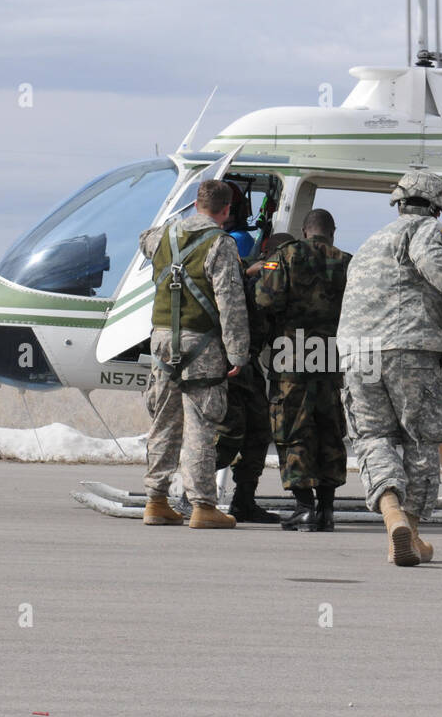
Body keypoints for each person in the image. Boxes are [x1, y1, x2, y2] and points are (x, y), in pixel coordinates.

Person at [337, 169, 442, 565]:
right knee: (420, 439)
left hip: (356, 353)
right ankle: (410, 529)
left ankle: (391, 512)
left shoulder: (367, 243)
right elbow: (432, 261)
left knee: (373, 438)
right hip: (408, 348)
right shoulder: (425, 230)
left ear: (398, 202)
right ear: (436, 208)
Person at [138, 179, 250, 529]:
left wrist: (180, 220)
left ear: (196, 205)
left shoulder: (162, 238)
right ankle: (203, 506)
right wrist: (238, 354)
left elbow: (144, 237)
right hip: (200, 345)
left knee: (164, 422)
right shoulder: (221, 244)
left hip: (161, 343)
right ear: (226, 211)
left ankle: (155, 500)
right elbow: (230, 302)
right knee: (201, 425)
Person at [253, 209, 351, 531]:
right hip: (329, 354)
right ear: (332, 232)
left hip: (292, 352)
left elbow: (266, 300)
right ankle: (326, 511)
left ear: (305, 231)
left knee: (293, 427)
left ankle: (304, 508)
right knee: (328, 427)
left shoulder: (286, 255)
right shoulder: (349, 262)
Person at [213, 196, 280, 524]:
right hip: (226, 360)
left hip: (247, 363)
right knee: (228, 433)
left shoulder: (262, 278)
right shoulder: (226, 256)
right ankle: (189, 492)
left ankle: (243, 500)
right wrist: (251, 269)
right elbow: (224, 288)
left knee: (258, 432)